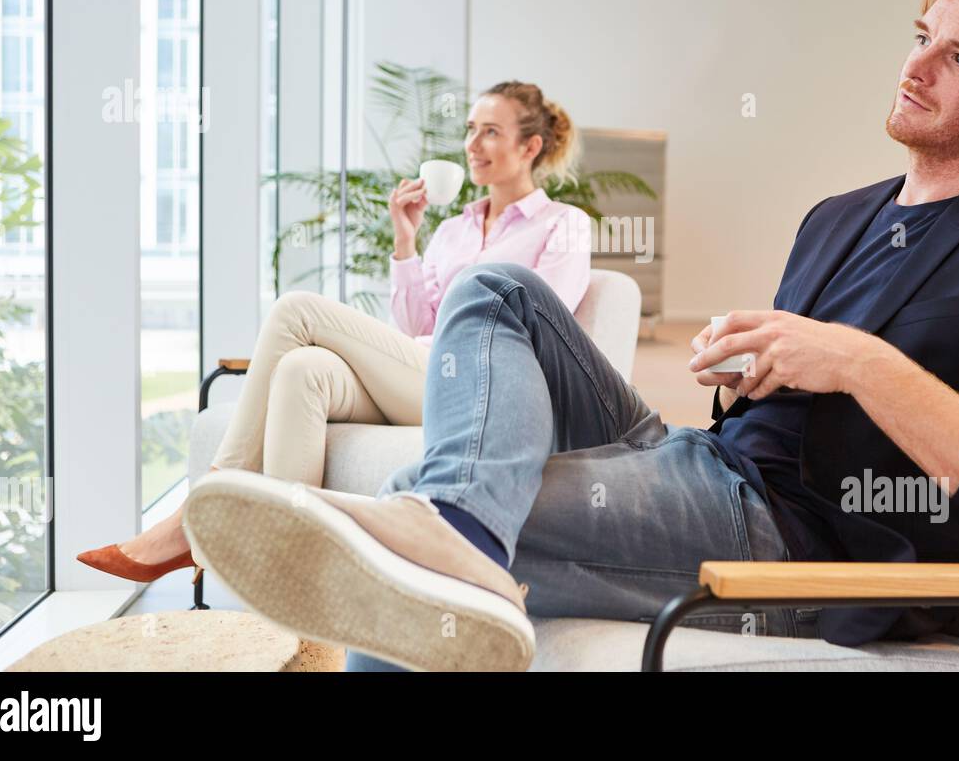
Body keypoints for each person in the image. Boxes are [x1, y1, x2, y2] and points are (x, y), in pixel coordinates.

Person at [182, 0, 959, 671]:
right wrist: (745, 367)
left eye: (958, 57)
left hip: (798, 538)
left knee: (412, 524)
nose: (916, 68)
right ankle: (460, 526)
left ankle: (455, 532)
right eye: (922, 37)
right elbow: (775, 406)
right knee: (495, 288)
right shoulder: (839, 217)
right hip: (703, 460)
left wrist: (858, 363)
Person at [77, 81, 593, 585]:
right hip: (420, 373)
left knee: (296, 310)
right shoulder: (453, 229)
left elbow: (540, 322)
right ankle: (293, 578)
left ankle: (200, 509)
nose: (472, 144)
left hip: (479, 384)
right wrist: (406, 240)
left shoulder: (563, 224)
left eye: (490, 132)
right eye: (470, 129)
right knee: (302, 370)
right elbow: (416, 326)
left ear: (530, 147)